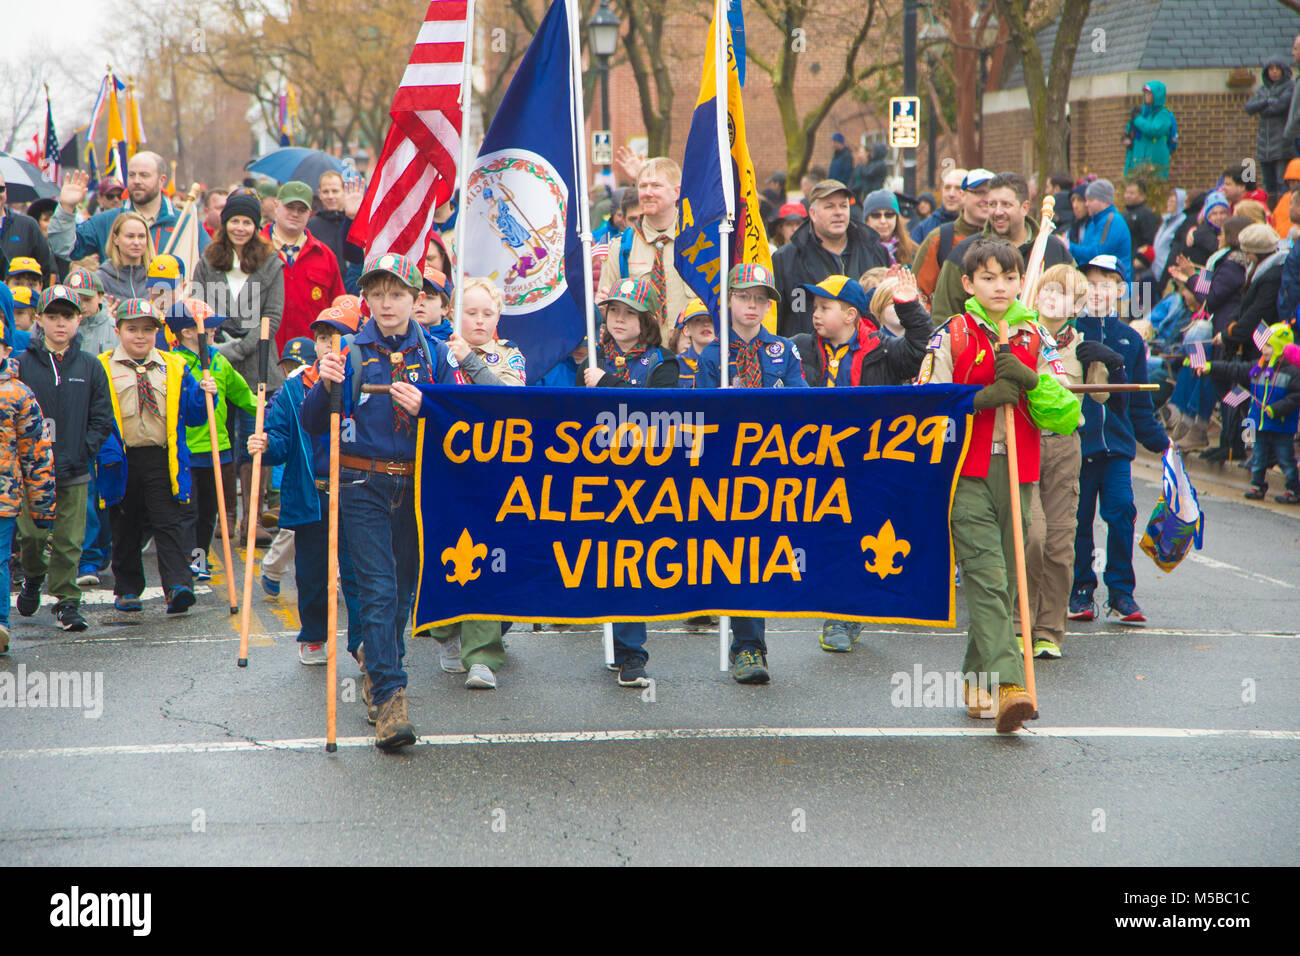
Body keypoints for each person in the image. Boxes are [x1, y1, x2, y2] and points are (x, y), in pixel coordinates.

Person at [302, 253, 467, 752]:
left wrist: (431, 408)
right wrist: (326, 383)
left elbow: (465, 424)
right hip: (362, 484)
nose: (386, 303)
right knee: (375, 588)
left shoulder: (438, 355)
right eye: (376, 294)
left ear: (417, 299)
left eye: (396, 294)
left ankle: (378, 672)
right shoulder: (349, 351)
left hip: (416, 487)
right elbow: (313, 423)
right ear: (366, 299)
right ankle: (393, 701)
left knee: (400, 594)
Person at [917, 237, 1081, 731]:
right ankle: (1012, 685)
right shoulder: (953, 333)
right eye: (988, 277)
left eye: (1009, 278)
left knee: (1008, 582)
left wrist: (1031, 383)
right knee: (987, 578)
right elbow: (926, 405)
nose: (1001, 286)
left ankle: (976, 680)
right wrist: (977, 398)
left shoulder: (1035, 337)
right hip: (966, 473)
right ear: (968, 283)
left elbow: (1067, 413)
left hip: (1021, 469)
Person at [696, 264, 807, 685]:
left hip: (773, 465)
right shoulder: (713, 355)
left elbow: (803, 404)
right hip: (727, 468)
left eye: (761, 299)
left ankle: (751, 642)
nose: (753, 306)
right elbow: (698, 419)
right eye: (744, 297)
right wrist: (720, 405)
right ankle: (746, 644)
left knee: (761, 556)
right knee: (739, 555)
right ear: (729, 301)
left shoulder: (783, 350)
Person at [572, 276, 679, 688]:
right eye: (613, 311)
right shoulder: (591, 362)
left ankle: (632, 652)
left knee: (629, 564)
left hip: (642, 479)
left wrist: (607, 385)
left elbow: (661, 413)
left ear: (646, 320)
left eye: (628, 313)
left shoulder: (661, 362)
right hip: (596, 474)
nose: (618, 319)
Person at [248, 308, 365, 667]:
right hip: (313, 494)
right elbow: (282, 438)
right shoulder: (294, 389)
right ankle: (314, 635)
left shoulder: (365, 382)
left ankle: (364, 644)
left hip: (356, 492)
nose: (329, 345)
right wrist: (266, 443)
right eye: (322, 337)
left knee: (359, 574)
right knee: (313, 573)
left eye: (337, 337)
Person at [97, 299, 217, 614]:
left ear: (158, 332)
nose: (140, 336)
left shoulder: (174, 366)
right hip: (122, 458)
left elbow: (193, 416)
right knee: (126, 524)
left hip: (164, 458)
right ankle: (127, 589)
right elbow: (96, 415)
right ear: (118, 330)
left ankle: (178, 586)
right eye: (132, 329)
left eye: (148, 330)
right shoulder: (102, 367)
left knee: (170, 522)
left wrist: (205, 395)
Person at [1068, 255, 1169, 626]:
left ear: (1121, 290)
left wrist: (1160, 442)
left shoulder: (1130, 340)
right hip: (1076, 445)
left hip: (1117, 448)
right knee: (1078, 522)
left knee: (1122, 512)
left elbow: (1139, 404)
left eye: (1106, 284)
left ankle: (1121, 592)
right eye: (1090, 284)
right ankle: (1079, 588)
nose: (1098, 291)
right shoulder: (1068, 331)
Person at [1022, 264, 1114, 659]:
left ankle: (1048, 631)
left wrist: (1106, 363)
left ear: (1078, 304)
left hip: (1064, 446)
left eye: (1062, 293)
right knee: (1031, 537)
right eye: (1046, 290)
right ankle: (1017, 624)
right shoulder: (1019, 337)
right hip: (1023, 441)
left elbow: (1101, 398)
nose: (1050, 298)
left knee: (1060, 544)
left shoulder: (1081, 343)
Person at [12, 284, 113, 632]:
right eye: (52, 316)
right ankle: (33, 576)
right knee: (32, 536)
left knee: (70, 540)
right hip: (31, 471)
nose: (59, 324)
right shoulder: (21, 364)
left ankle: (67, 600)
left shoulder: (90, 366)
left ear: (79, 319)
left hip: (75, 468)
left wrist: (82, 452)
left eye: (67, 316)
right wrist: (27, 458)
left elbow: (102, 417)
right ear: (38, 319)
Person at [192, 187, 285, 546]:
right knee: (223, 440)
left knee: (254, 441)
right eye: (235, 221)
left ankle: (253, 518)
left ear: (257, 225)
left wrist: (238, 350)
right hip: (214, 364)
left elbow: (272, 316)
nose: (241, 228)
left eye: (247, 221)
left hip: (256, 365)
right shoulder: (208, 260)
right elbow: (197, 308)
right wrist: (215, 350)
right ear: (225, 223)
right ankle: (226, 517)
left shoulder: (270, 263)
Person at [168, 299, 256, 581]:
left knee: (209, 512)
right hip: (186, 451)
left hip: (219, 449)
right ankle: (187, 562)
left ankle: (200, 559)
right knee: (188, 512)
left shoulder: (219, 361)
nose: (216, 330)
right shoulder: (173, 363)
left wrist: (271, 408)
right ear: (188, 332)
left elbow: (244, 397)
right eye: (209, 325)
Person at [932, 172, 1074, 321]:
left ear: (1025, 207)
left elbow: (1076, 303)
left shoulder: (1051, 248)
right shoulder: (966, 252)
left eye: (1006, 204)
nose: (998, 212)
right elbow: (943, 317)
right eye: (992, 204)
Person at [0, 308, 56, 655]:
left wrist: (42, 505)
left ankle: (1, 623)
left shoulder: (19, 395)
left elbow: (36, 454)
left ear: (7, 349)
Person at [772, 179, 890, 337]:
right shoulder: (785, 259)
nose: (838, 212)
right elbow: (775, 319)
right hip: (808, 357)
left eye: (843, 205)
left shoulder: (875, 252)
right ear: (813, 214)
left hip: (866, 355)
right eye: (830, 206)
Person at [1201, 323, 1299, 504]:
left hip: (1281, 426)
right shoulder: (1258, 367)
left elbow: (1295, 397)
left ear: (1281, 348)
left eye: (1269, 345)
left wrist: (1276, 409)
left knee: (1286, 459)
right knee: (1258, 455)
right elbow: (1234, 369)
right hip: (1260, 423)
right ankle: (1257, 485)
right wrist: (1211, 367)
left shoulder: (1292, 373)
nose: (1264, 350)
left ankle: (1293, 488)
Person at [49, 155, 205, 262]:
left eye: (144, 175)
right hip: (121, 308)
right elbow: (65, 249)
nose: (137, 181)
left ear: (161, 180)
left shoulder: (185, 223)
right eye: (132, 175)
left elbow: (210, 268)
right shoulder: (106, 221)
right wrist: (67, 208)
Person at [598, 158, 688, 337]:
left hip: (689, 357)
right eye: (642, 186)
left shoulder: (697, 243)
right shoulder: (621, 247)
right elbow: (605, 306)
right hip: (641, 358)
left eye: (656, 186)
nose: (647, 193)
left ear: (676, 192)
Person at [263, 181, 344, 353]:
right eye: (290, 207)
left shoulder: (325, 256)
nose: (295, 214)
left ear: (310, 213)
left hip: (312, 362)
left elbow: (338, 312)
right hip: (264, 357)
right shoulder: (255, 251)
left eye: (301, 210)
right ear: (276, 205)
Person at [913, 168, 992, 302]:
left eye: (989, 193)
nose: (985, 199)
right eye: (979, 193)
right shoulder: (940, 238)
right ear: (963, 195)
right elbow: (918, 294)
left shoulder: (1005, 239)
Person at [1246, 57, 1296, 200]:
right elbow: (1249, 107)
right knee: (1269, 184)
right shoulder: (1263, 90)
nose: (1273, 72)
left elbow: (1279, 106)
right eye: (1270, 69)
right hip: (1263, 146)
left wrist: (1261, 106)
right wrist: (1267, 101)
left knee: (1282, 183)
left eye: (1277, 69)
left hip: (1281, 145)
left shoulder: (1290, 87)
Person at [1067, 179, 1132, 283]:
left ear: (1104, 201)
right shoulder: (1094, 222)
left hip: (1117, 288)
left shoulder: (1111, 221)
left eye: (1091, 200)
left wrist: (1069, 246)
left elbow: (1098, 254)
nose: (1086, 204)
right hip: (1098, 284)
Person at [0, 176, 57, 283]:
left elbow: (48, 270)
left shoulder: (28, 226)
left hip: (23, 297)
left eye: (0, 189)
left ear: (6, 191)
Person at [95, 212, 155, 302]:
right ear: (116, 239)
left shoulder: (158, 275)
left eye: (141, 236)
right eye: (130, 236)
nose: (136, 242)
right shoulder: (101, 278)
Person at [1123, 81, 1178, 179]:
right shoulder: (1142, 112)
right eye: (1145, 94)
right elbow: (1129, 131)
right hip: (1137, 160)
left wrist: (1137, 119)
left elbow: (1154, 130)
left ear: (1157, 95)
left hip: (1155, 162)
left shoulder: (1163, 114)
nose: (1146, 96)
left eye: (1149, 94)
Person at [64, 267, 118, 357]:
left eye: (87, 299)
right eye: (76, 300)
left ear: (100, 297)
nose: (82, 306)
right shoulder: (60, 327)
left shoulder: (115, 329)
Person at [861, 189, 917, 266]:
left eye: (889, 215)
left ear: (896, 219)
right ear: (867, 220)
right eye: (876, 215)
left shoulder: (913, 252)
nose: (883, 221)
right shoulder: (857, 252)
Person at [909, 167, 965, 242]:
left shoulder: (980, 226)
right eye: (947, 188)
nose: (951, 194)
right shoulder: (923, 228)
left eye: (958, 188)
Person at [669, 298, 715, 388]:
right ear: (686, 330)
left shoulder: (727, 361)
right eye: (698, 320)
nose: (706, 324)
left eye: (710, 319)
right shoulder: (674, 365)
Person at [1151, 188, 1188, 279]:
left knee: (1147, 289)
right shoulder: (1166, 220)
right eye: (1169, 200)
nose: (1169, 203)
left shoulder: (1182, 221)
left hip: (1166, 269)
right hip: (1155, 267)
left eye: (1172, 201)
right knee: (1143, 288)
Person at [413, 264, 453, 341]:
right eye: (416, 297)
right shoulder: (395, 339)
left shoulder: (456, 343)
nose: (421, 303)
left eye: (429, 298)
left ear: (445, 308)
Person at [1121, 180, 1160, 252]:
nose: (1128, 196)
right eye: (1126, 192)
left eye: (1132, 193)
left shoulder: (1147, 214)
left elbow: (1150, 240)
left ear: (1142, 196)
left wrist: (1141, 259)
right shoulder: (1124, 214)